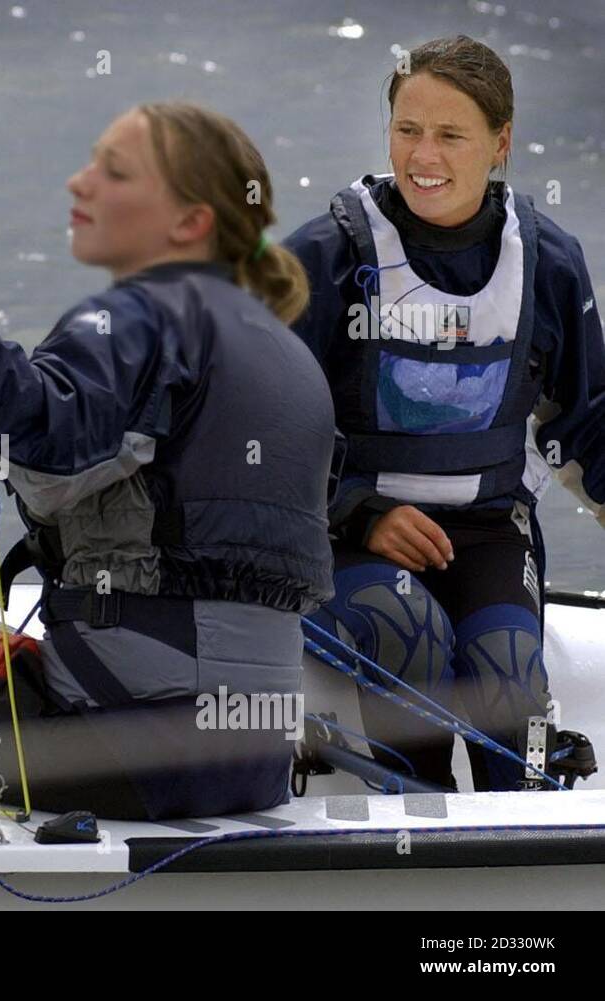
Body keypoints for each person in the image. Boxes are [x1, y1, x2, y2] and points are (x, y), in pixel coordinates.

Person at [0, 102, 336, 821]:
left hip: (140, 749)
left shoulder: (145, 321)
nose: (82, 184)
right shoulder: (290, 355)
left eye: (114, 173)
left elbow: (39, 426)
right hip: (254, 754)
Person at [284, 35, 605, 792]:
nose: (423, 154)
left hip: (488, 530)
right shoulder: (326, 257)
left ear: (500, 144)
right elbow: (252, 431)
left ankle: (517, 853)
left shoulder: (549, 262)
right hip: (346, 537)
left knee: (508, 674)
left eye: (450, 135)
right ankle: (417, 828)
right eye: (407, 130)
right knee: (410, 631)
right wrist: (358, 513)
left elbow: (588, 426)